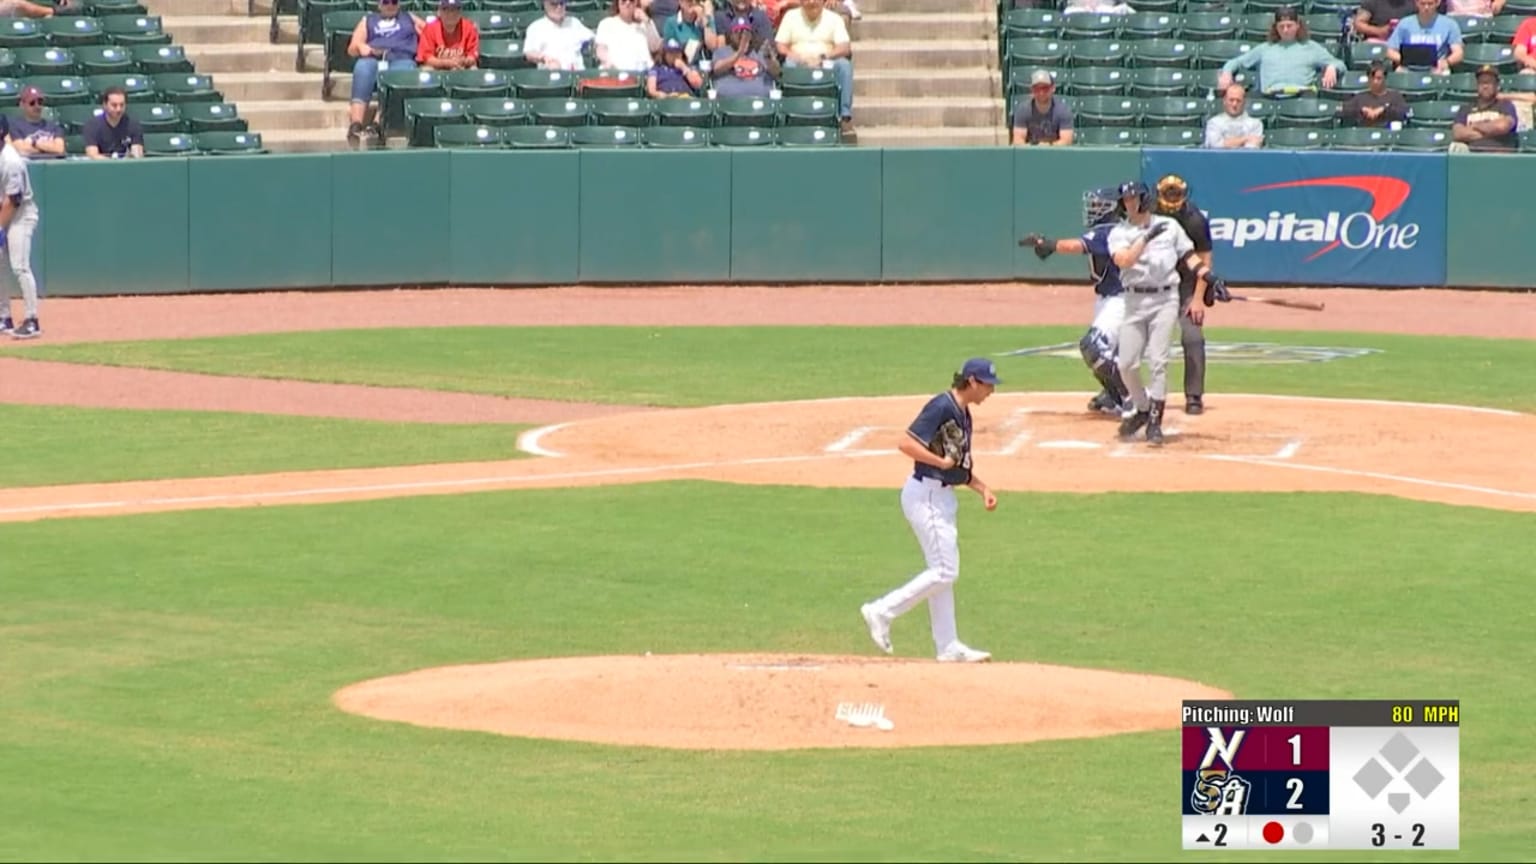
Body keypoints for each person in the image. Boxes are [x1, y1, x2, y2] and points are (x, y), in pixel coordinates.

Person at [859, 358, 1000, 664]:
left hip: (941, 497)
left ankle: (947, 646)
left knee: (942, 572)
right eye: (988, 384)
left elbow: (958, 466)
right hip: (926, 496)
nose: (991, 390)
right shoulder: (941, 406)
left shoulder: (964, 414)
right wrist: (938, 463)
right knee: (945, 570)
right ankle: (881, 611)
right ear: (972, 381)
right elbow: (905, 444)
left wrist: (982, 489)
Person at [1109, 181, 1228, 446]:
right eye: (1125, 200)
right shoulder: (1119, 232)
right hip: (1134, 301)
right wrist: (1146, 237)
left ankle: (1154, 420)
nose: (1129, 203)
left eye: (1133, 198)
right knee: (1126, 364)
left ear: (1143, 199)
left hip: (1165, 298)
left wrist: (1210, 277)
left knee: (1158, 360)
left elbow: (1190, 257)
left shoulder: (1170, 227)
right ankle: (1141, 407)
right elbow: (1125, 260)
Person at [1018, 188, 1132, 417]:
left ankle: (1134, 398)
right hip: (1109, 299)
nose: (1092, 209)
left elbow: (1076, 246)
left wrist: (1048, 244)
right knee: (1106, 352)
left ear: (1111, 208)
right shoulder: (1113, 230)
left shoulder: (1110, 231)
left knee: (1094, 347)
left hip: (1121, 300)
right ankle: (1115, 396)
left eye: (1098, 204)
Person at [1153, 174, 1215, 416]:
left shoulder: (1195, 220)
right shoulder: (1148, 214)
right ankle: (1120, 392)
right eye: (1167, 192)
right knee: (1130, 336)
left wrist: (1198, 298)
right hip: (1155, 282)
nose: (1171, 197)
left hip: (1187, 284)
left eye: (1175, 193)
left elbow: (1205, 258)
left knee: (1193, 337)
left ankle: (1194, 395)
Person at [345, 0, 425, 148]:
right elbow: (352, 48)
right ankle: (356, 124)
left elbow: (429, 32)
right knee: (362, 67)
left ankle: (377, 124)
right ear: (379, 4)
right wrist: (362, 46)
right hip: (374, 57)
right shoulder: (368, 20)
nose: (390, 5)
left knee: (402, 72)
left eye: (394, 2)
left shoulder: (409, 18)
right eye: (386, 2)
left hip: (401, 58)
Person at [1217, 6, 1344, 96]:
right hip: (1270, 97)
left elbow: (1340, 64)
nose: (1285, 30)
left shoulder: (1311, 47)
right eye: (1281, 26)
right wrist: (1227, 73)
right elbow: (1236, 62)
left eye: (1289, 26)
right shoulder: (1265, 48)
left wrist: (1332, 66)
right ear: (1276, 27)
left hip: (1301, 96)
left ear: (1297, 25)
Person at [0, 115, 41, 339]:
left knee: (20, 266)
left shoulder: (11, 161)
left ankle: (32, 319)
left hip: (21, 214)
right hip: (4, 211)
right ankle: (4, 317)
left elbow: (13, 200)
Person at [1452, 64, 1520, 152]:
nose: (1485, 86)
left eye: (1489, 82)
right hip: (1471, 156)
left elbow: (1502, 126)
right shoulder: (1466, 109)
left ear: (1497, 85)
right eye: (1482, 82)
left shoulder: (1506, 106)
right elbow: (1458, 133)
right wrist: (1491, 130)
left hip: (1499, 156)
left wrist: (1475, 125)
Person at [1385, 0, 1464, 74]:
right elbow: (1390, 51)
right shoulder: (1405, 23)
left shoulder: (1450, 24)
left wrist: (1446, 62)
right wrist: (1405, 60)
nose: (1426, 7)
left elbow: (1458, 53)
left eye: (1430, 4)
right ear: (1416, 3)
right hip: (1409, 67)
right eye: (1422, 4)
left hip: (1436, 68)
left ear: (1438, 3)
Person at [1011, 69, 1075, 146]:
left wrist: (1048, 146)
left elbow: (1066, 141)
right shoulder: (1023, 110)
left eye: (1045, 88)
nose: (1041, 92)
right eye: (1037, 89)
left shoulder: (1063, 111)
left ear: (1053, 88)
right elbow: (1018, 140)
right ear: (1032, 90)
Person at [1339, 60, 1411, 126]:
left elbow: (1405, 112)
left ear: (1385, 78)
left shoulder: (1395, 97)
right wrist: (1361, 110)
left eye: (1378, 78)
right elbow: (1341, 110)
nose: (1375, 82)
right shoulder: (1360, 97)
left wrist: (1384, 110)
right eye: (1372, 78)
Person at [416, 0, 480, 70]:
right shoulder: (430, 29)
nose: (450, 14)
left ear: (460, 12)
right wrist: (447, 63)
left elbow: (473, 56)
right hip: (437, 68)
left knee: (473, 68)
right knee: (427, 69)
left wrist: (464, 61)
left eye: (454, 10)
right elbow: (427, 58)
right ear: (439, 12)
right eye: (445, 9)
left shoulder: (469, 27)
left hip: (461, 67)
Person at [82, 87, 144, 159]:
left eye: (122, 105)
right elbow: (92, 155)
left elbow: (137, 155)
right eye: (114, 105)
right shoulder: (92, 125)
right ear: (105, 105)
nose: (118, 109)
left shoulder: (133, 125)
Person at [8, 85, 65, 160]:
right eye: (32, 103)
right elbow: (21, 149)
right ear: (22, 105)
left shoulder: (53, 126)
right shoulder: (14, 126)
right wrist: (49, 148)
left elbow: (59, 149)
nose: (37, 106)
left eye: (40, 102)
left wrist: (34, 143)